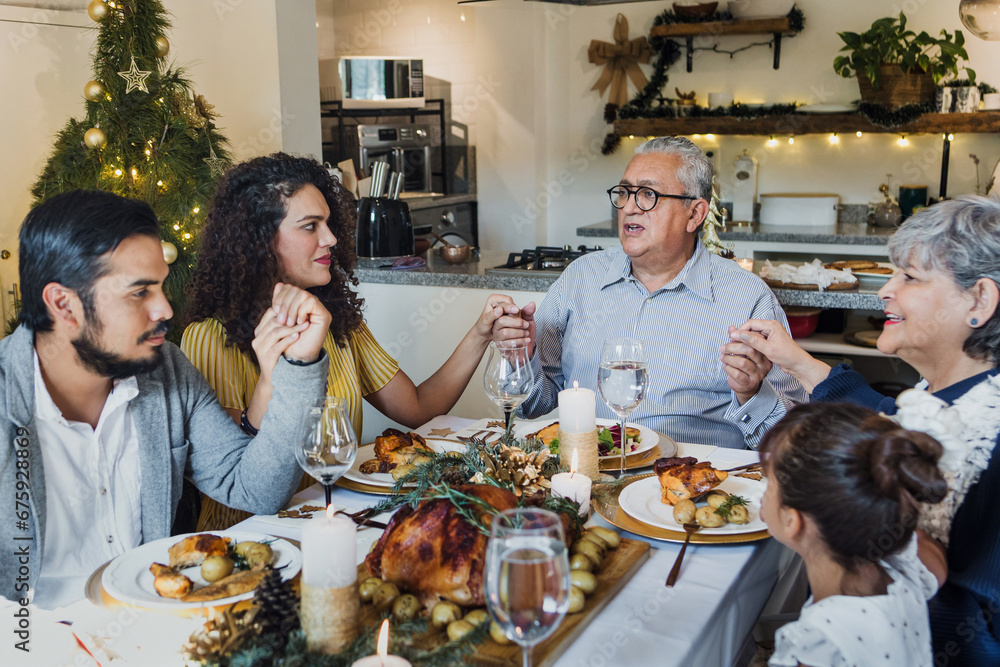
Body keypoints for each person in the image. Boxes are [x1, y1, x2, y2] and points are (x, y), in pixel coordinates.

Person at [0, 190, 329, 609]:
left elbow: (254, 489)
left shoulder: (165, 369)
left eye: (160, 286)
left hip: (155, 622)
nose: (165, 310)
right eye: (140, 292)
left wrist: (299, 365)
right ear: (64, 304)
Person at [732, 195, 1000, 665]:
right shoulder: (953, 394)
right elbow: (890, 420)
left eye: (909, 277)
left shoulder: (986, 442)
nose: (884, 291)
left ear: (978, 300)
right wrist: (796, 361)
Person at [182, 153, 512, 529]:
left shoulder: (335, 322)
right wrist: (271, 382)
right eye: (310, 226)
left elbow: (419, 408)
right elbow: (240, 476)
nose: (331, 238)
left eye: (327, 223)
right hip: (249, 533)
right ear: (259, 239)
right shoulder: (210, 337)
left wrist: (480, 334)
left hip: (331, 517)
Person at [492, 136, 806, 449]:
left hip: (694, 474)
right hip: (593, 470)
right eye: (624, 192)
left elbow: (794, 440)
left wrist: (752, 394)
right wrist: (522, 357)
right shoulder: (581, 278)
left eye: (648, 194)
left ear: (695, 214)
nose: (629, 208)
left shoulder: (747, 297)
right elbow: (531, 405)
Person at [760, 403, 948, 667]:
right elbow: (934, 557)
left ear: (793, 520)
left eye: (769, 485)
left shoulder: (818, 644)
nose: (763, 495)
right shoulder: (908, 569)